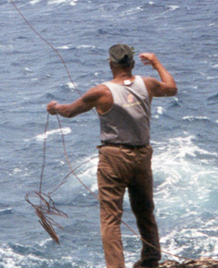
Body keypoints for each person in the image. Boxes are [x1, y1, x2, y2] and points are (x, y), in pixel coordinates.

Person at [46, 44, 177, 268]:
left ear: (110, 63)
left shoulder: (101, 92)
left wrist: (55, 107)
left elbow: (69, 112)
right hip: (142, 155)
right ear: (132, 64)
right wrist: (156, 63)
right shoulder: (148, 84)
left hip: (114, 157)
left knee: (110, 218)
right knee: (145, 211)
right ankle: (151, 260)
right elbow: (172, 88)